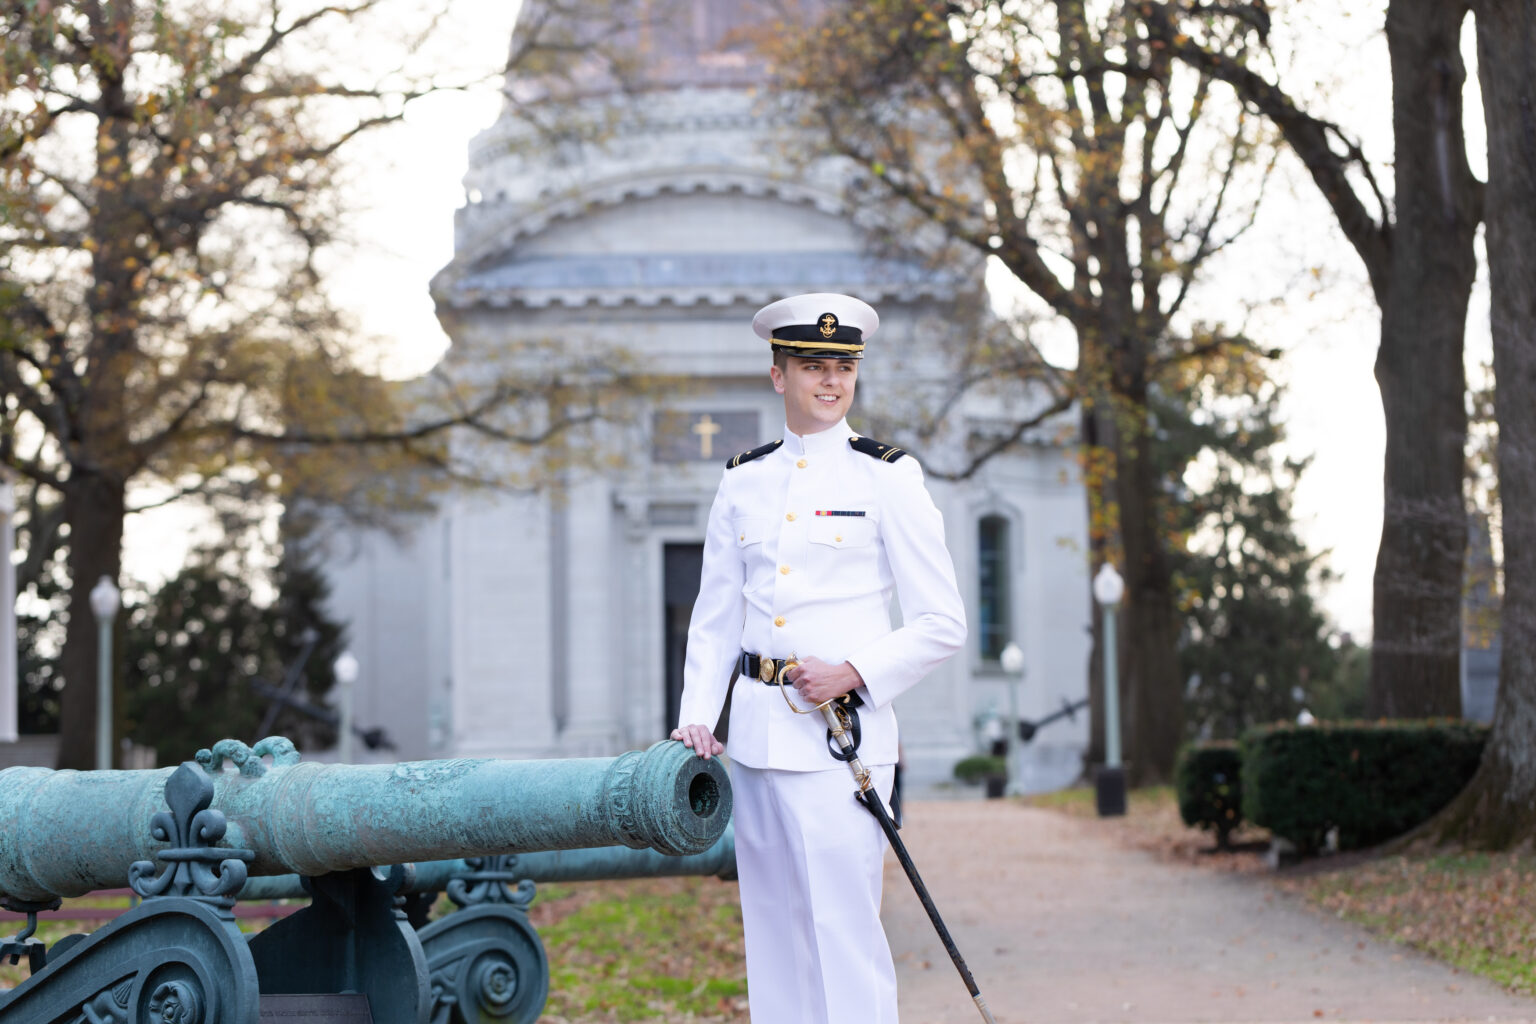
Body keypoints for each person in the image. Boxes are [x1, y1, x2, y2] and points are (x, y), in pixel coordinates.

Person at [671, 292, 967, 1023]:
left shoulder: (887, 477)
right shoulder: (742, 480)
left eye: (842, 366)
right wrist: (697, 720)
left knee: (842, 935)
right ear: (779, 375)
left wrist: (855, 672)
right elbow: (715, 619)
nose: (830, 381)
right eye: (811, 365)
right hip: (760, 740)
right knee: (773, 939)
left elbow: (942, 621)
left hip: (842, 739)